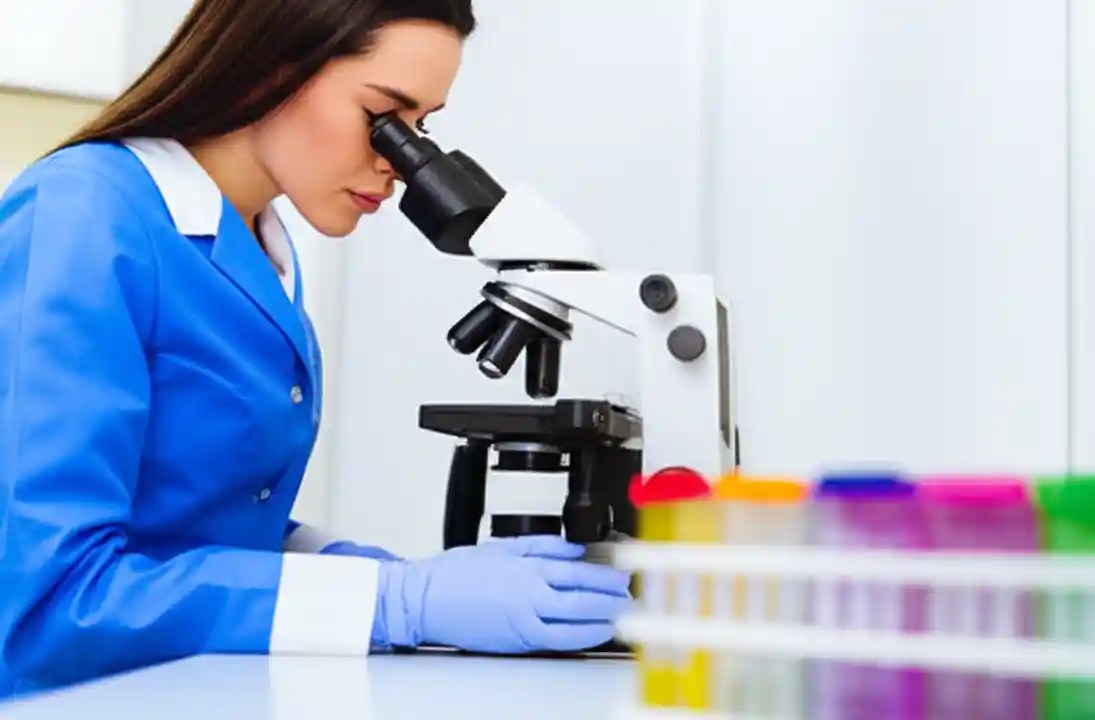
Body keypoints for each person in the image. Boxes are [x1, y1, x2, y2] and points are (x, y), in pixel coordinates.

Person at [0, 0, 631, 699]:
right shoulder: (84, 213)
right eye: (383, 118)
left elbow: (203, 520)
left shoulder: (262, 244)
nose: (401, 163)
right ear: (267, 70)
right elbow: (50, 601)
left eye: (421, 127)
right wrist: (393, 599)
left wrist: (360, 567)